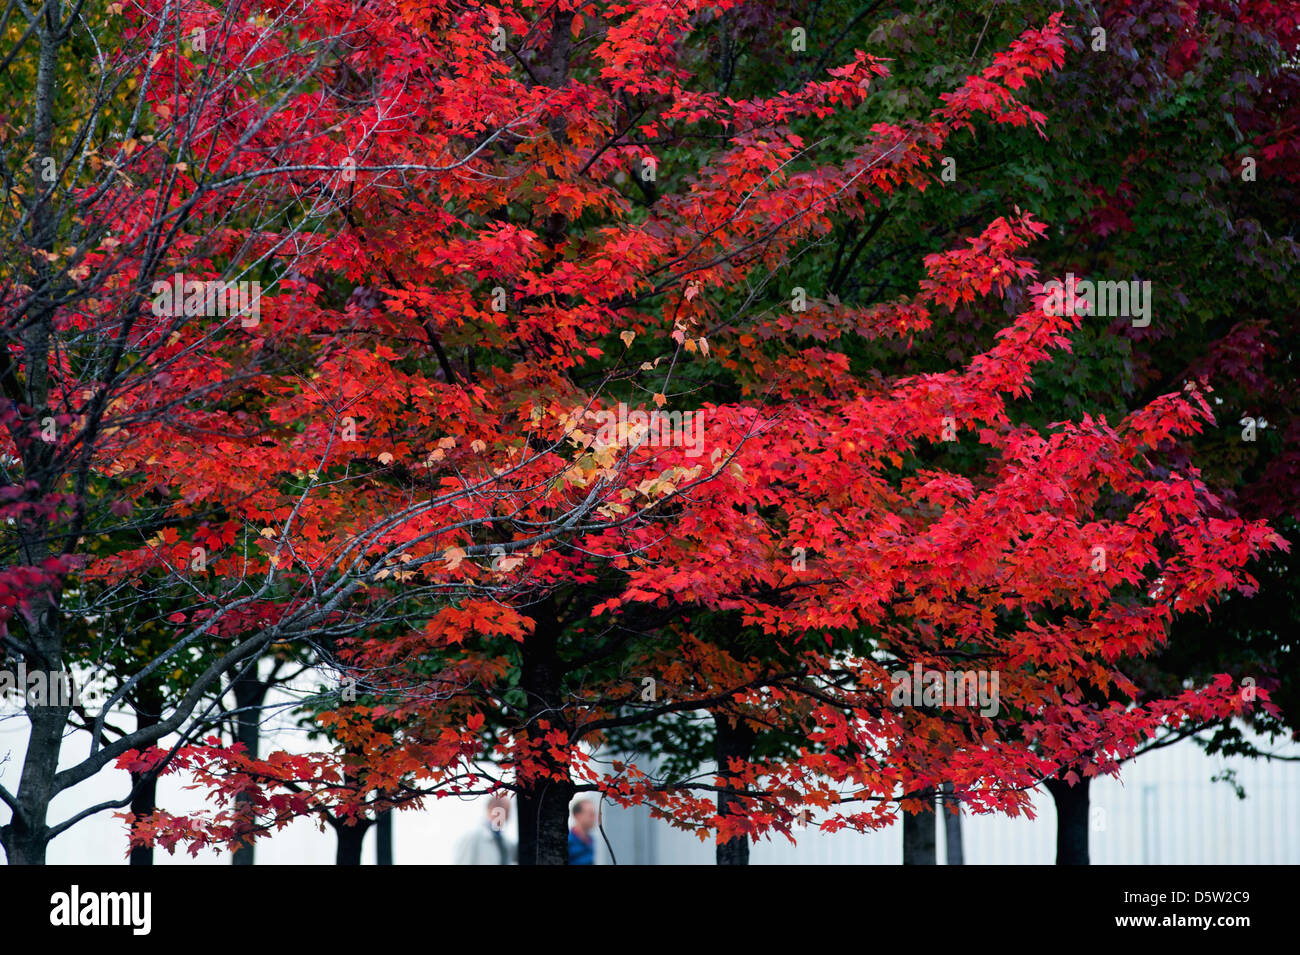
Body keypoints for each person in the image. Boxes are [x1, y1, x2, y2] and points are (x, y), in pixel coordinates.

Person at [453, 794, 515, 864]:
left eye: (508, 812)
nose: (507, 816)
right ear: (491, 808)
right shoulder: (472, 838)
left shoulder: (505, 842)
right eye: (505, 811)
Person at [567, 797, 597, 865]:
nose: (594, 818)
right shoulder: (568, 841)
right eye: (590, 815)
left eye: (594, 814)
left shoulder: (591, 839)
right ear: (577, 815)